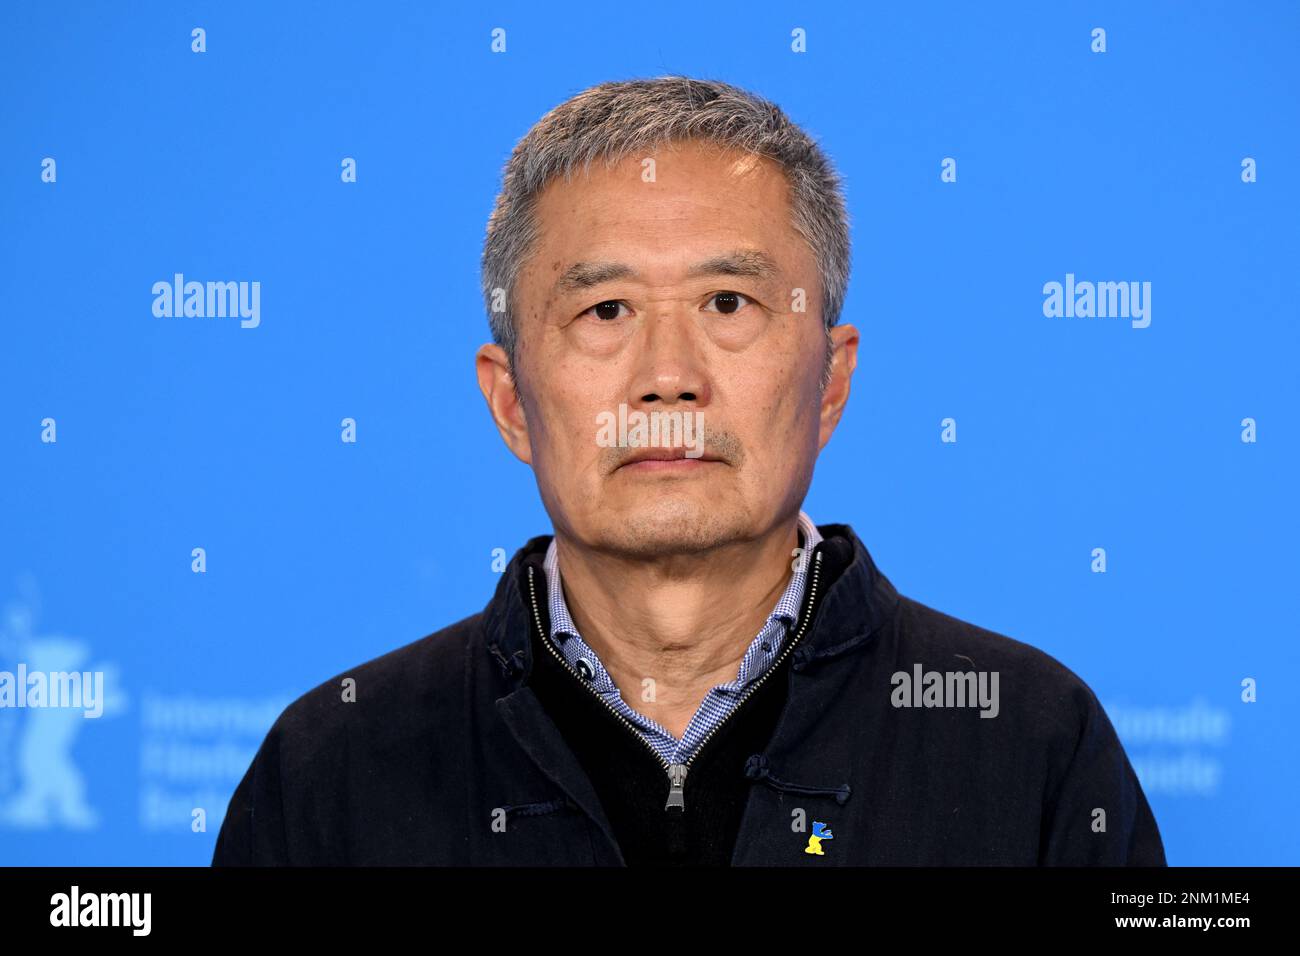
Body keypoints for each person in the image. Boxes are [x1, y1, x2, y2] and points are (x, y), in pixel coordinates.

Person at [212, 76, 1165, 866]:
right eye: (607, 312)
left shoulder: (1029, 743)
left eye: (727, 301)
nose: (668, 379)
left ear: (830, 382)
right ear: (510, 402)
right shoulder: (333, 767)